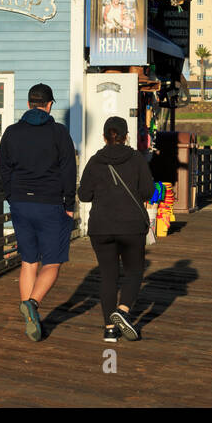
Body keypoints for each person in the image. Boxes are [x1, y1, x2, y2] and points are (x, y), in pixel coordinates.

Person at [0, 83, 77, 342]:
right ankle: (32, 304)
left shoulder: (11, 132)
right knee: (52, 262)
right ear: (49, 104)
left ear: (29, 103)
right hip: (50, 203)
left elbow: (4, 169)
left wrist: (11, 195)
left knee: (28, 261)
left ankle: (29, 319)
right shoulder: (59, 133)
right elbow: (68, 171)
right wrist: (69, 205)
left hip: (20, 203)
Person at [78, 115, 155, 343]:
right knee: (133, 272)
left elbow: (83, 195)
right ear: (126, 136)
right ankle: (122, 311)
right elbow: (149, 192)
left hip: (101, 227)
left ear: (104, 137)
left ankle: (110, 329)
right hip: (131, 226)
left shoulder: (95, 161)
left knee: (108, 276)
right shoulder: (137, 159)